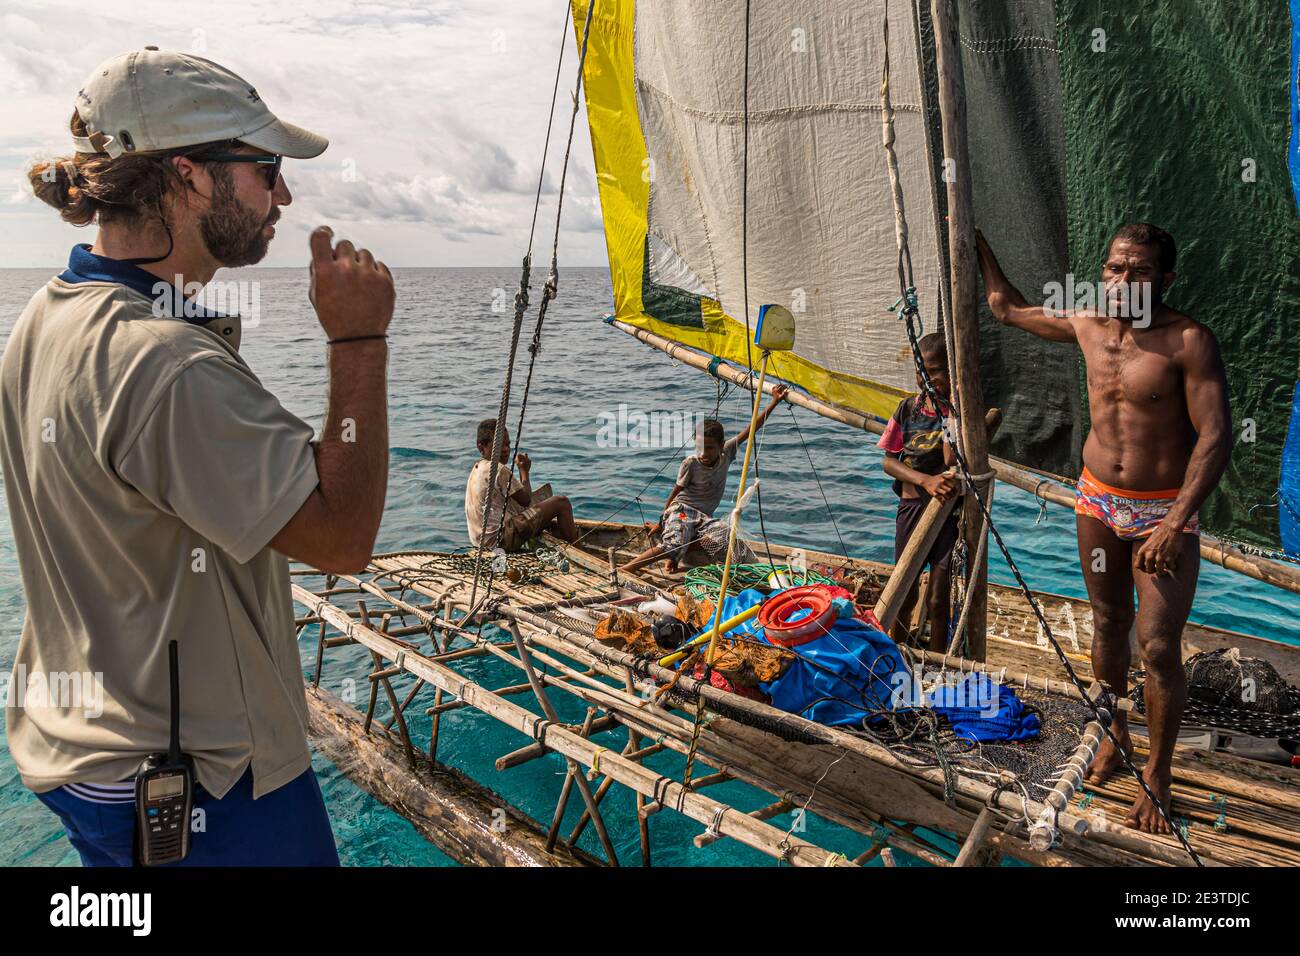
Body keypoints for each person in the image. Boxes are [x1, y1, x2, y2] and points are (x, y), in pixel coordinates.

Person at [0, 48, 396, 865]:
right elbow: (341, 540)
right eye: (264, 168)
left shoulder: (49, 315)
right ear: (188, 175)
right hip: (203, 788)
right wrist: (359, 341)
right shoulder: (165, 364)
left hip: (86, 757)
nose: (282, 193)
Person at [976, 223, 1231, 833]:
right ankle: (1114, 730)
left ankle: (1160, 774)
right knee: (1109, 624)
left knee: (1160, 645)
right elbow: (1005, 308)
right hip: (1096, 500)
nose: (1122, 280)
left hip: (1162, 513)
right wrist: (978, 241)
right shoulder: (1087, 323)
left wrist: (1174, 523)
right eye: (1115, 268)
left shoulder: (1187, 341)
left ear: (1164, 280)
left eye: (1138, 271)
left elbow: (1216, 436)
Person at [622, 385, 788, 575]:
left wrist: (774, 401)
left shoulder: (728, 451)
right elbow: (676, 492)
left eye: (709, 448)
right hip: (681, 510)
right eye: (699, 447)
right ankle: (629, 568)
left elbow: (752, 429)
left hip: (703, 518)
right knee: (675, 542)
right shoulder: (690, 463)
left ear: (720, 446)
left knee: (724, 537)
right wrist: (662, 520)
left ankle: (674, 556)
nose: (703, 453)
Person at [466, 419, 577, 551]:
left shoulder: (477, 469)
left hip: (480, 542)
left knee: (541, 508)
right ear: (481, 447)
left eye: (507, 444)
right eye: (500, 445)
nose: (506, 450)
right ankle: (580, 550)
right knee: (561, 503)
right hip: (500, 541)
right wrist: (524, 471)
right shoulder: (497, 469)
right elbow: (525, 500)